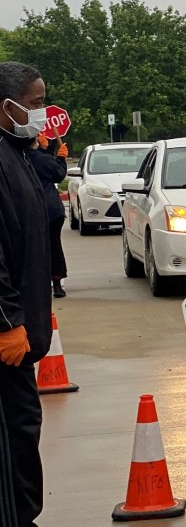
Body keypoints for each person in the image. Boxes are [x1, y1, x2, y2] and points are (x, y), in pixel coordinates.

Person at [0, 62, 52, 526]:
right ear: (7, 107)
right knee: (13, 434)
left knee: (23, 429)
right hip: (6, 339)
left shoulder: (16, 153)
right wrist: (7, 322)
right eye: (35, 104)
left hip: (22, 330)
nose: (42, 113)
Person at [31, 134, 69, 298]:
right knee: (53, 246)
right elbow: (58, 174)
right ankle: (57, 283)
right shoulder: (41, 159)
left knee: (33, 248)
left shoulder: (18, 158)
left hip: (28, 211)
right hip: (51, 210)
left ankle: (36, 284)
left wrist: (46, 150)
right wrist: (61, 158)